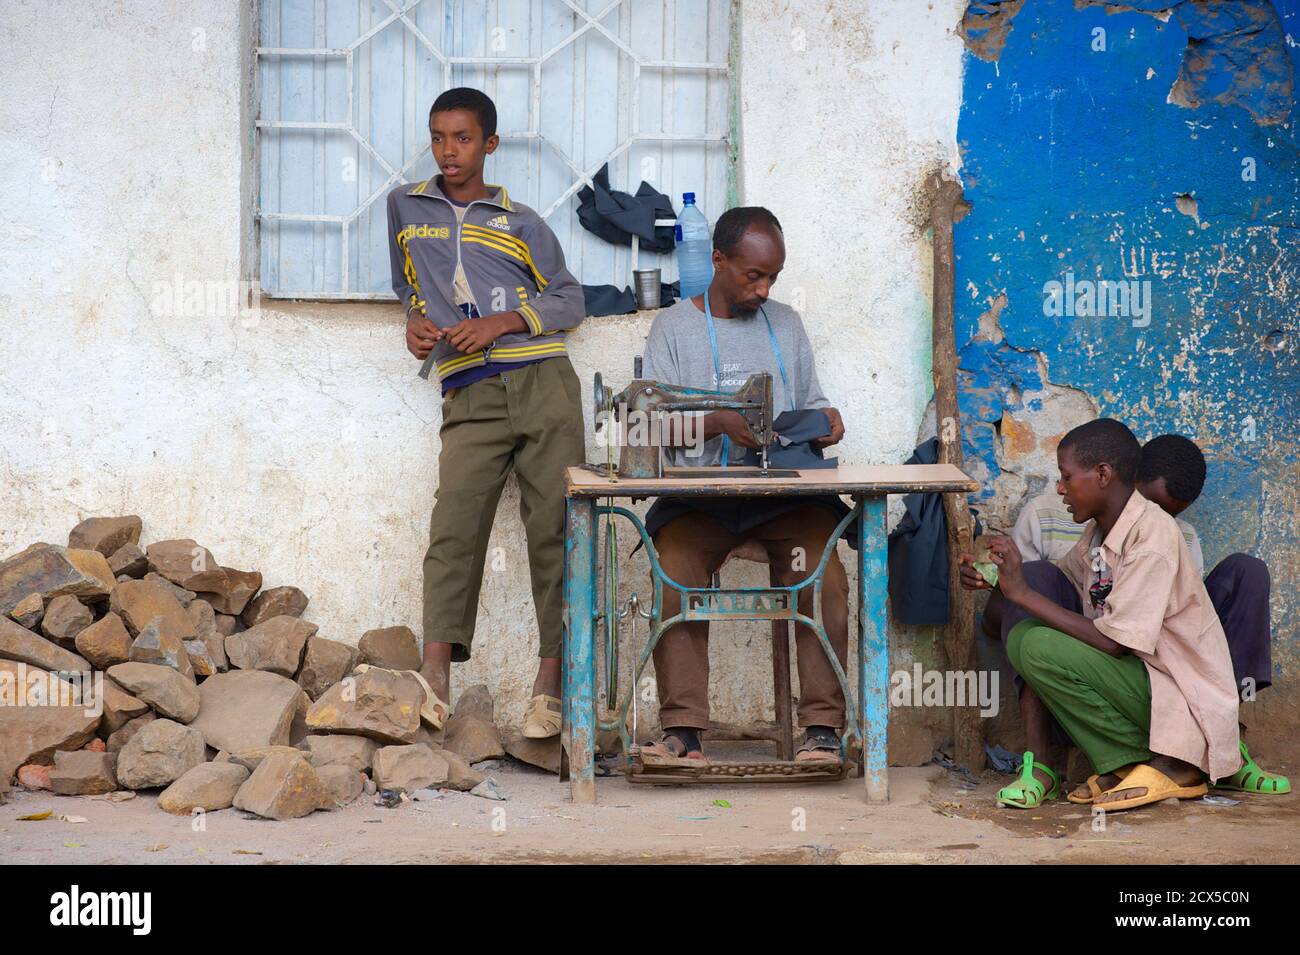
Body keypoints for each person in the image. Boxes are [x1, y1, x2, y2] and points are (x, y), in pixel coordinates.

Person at [386, 87, 586, 738]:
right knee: (453, 530)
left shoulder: (520, 220)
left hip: (542, 381)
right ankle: (433, 676)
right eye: (439, 137)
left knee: (554, 531)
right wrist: (416, 322)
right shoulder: (405, 208)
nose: (449, 150)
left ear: (489, 145)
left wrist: (504, 320)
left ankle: (549, 685)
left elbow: (569, 299)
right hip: (468, 390)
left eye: (464, 138)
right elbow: (409, 284)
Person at [637, 206, 849, 764]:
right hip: (698, 500)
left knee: (821, 570)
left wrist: (825, 421)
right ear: (717, 261)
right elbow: (648, 424)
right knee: (673, 573)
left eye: (772, 276)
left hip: (781, 500)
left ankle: (824, 731)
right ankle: (683, 732)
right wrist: (718, 422)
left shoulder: (786, 324)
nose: (763, 288)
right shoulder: (673, 328)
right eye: (752, 275)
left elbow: (809, 403)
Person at [961, 419, 1242, 812]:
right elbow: (1058, 581)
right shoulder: (1100, 533)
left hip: (1178, 695)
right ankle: (1129, 762)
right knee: (1027, 637)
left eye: (1066, 477)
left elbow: (1113, 642)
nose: (1060, 489)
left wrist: (1021, 592)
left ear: (1103, 474)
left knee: (1035, 642)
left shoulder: (1153, 536)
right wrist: (997, 576)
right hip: (1142, 686)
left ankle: (1180, 764)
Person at [1137, 434, 1289, 794]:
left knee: (1246, 571)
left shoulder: (1183, 536)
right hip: (1120, 645)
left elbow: (1192, 618)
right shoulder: (1083, 520)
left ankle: (1228, 743)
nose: (1160, 521)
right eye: (1151, 506)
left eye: (1171, 513)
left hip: (1178, 645)